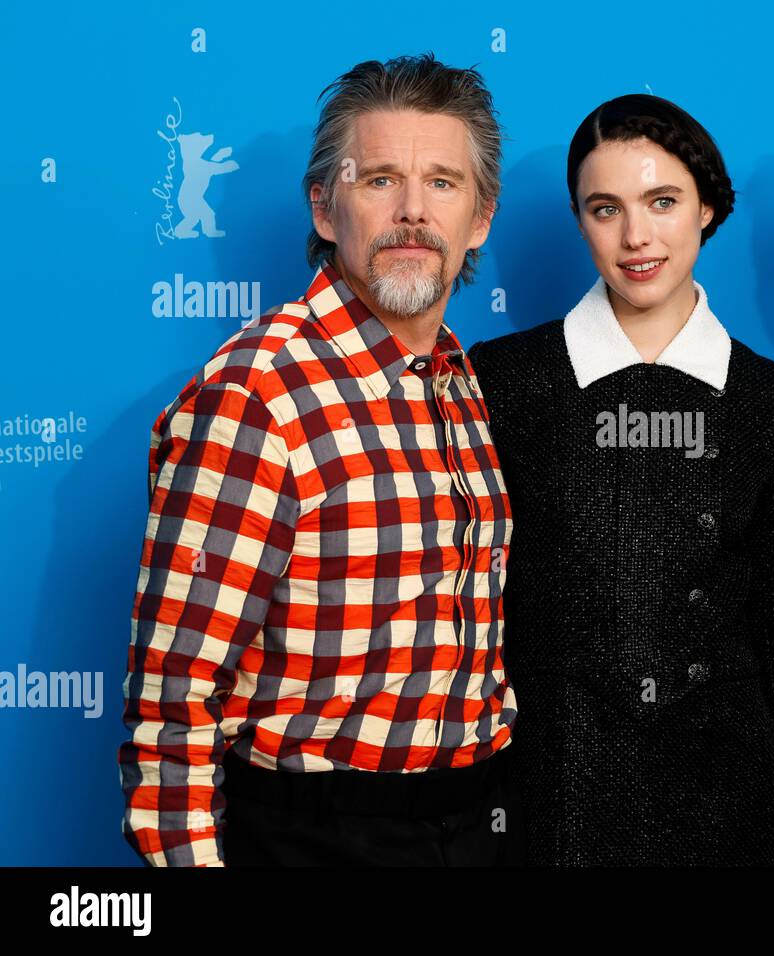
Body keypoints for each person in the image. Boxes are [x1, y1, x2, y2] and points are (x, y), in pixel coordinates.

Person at [118, 53, 521, 866]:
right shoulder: (258, 390)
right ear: (326, 208)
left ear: (480, 218)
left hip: (478, 819)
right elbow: (174, 698)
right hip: (320, 833)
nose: (412, 212)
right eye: (378, 180)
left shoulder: (458, 378)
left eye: (442, 183)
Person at [468, 94, 774, 865]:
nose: (636, 236)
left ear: (706, 207)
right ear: (579, 220)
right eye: (606, 209)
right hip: (552, 793)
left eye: (662, 201)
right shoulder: (501, 382)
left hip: (728, 796)